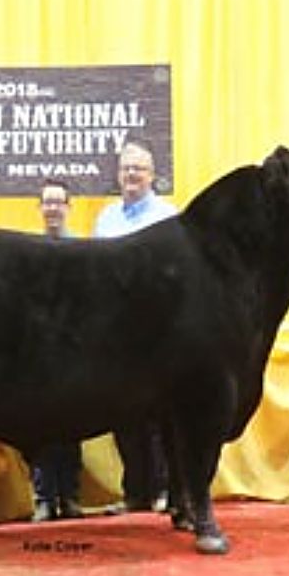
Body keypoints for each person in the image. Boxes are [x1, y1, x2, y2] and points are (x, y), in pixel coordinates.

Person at [93, 142, 177, 514]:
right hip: (115, 334)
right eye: (126, 168)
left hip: (158, 332)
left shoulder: (168, 216)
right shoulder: (105, 218)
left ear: (152, 175)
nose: (131, 175)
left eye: (138, 169)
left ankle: (163, 491)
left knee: (160, 417)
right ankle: (134, 492)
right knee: (122, 414)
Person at [30, 180, 84, 521]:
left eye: (58, 202)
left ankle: (71, 496)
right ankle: (43, 498)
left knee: (75, 424)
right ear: (40, 208)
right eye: (46, 203)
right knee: (39, 426)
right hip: (37, 351)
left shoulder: (83, 250)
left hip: (77, 349)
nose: (52, 208)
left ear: (68, 207)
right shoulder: (29, 249)